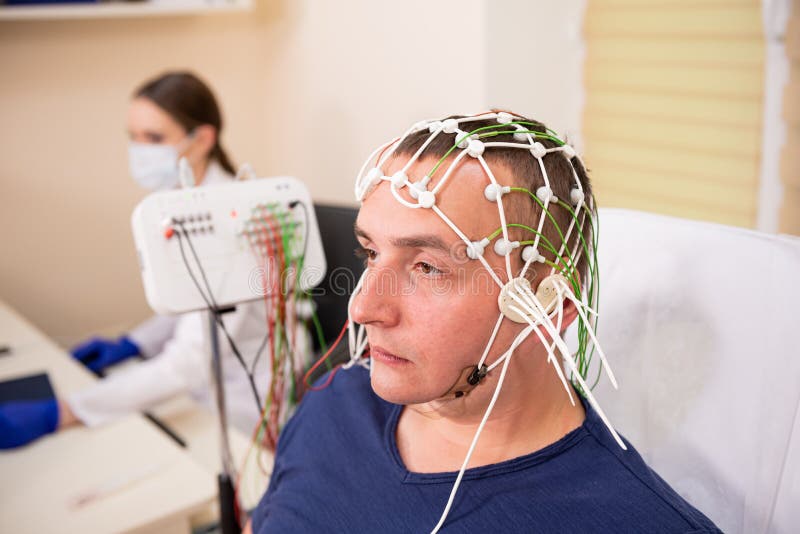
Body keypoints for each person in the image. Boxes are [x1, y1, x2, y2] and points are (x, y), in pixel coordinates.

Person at [245, 111, 721, 532]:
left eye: (427, 267)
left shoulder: (636, 522)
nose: (363, 308)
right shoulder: (335, 404)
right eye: (370, 252)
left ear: (548, 307)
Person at [0, 71, 297, 449]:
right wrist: (132, 343)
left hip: (238, 408)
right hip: (194, 387)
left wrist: (64, 411)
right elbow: (190, 305)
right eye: (134, 137)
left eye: (154, 138)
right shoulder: (179, 202)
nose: (140, 150)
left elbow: (191, 359)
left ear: (203, 139)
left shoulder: (233, 221)